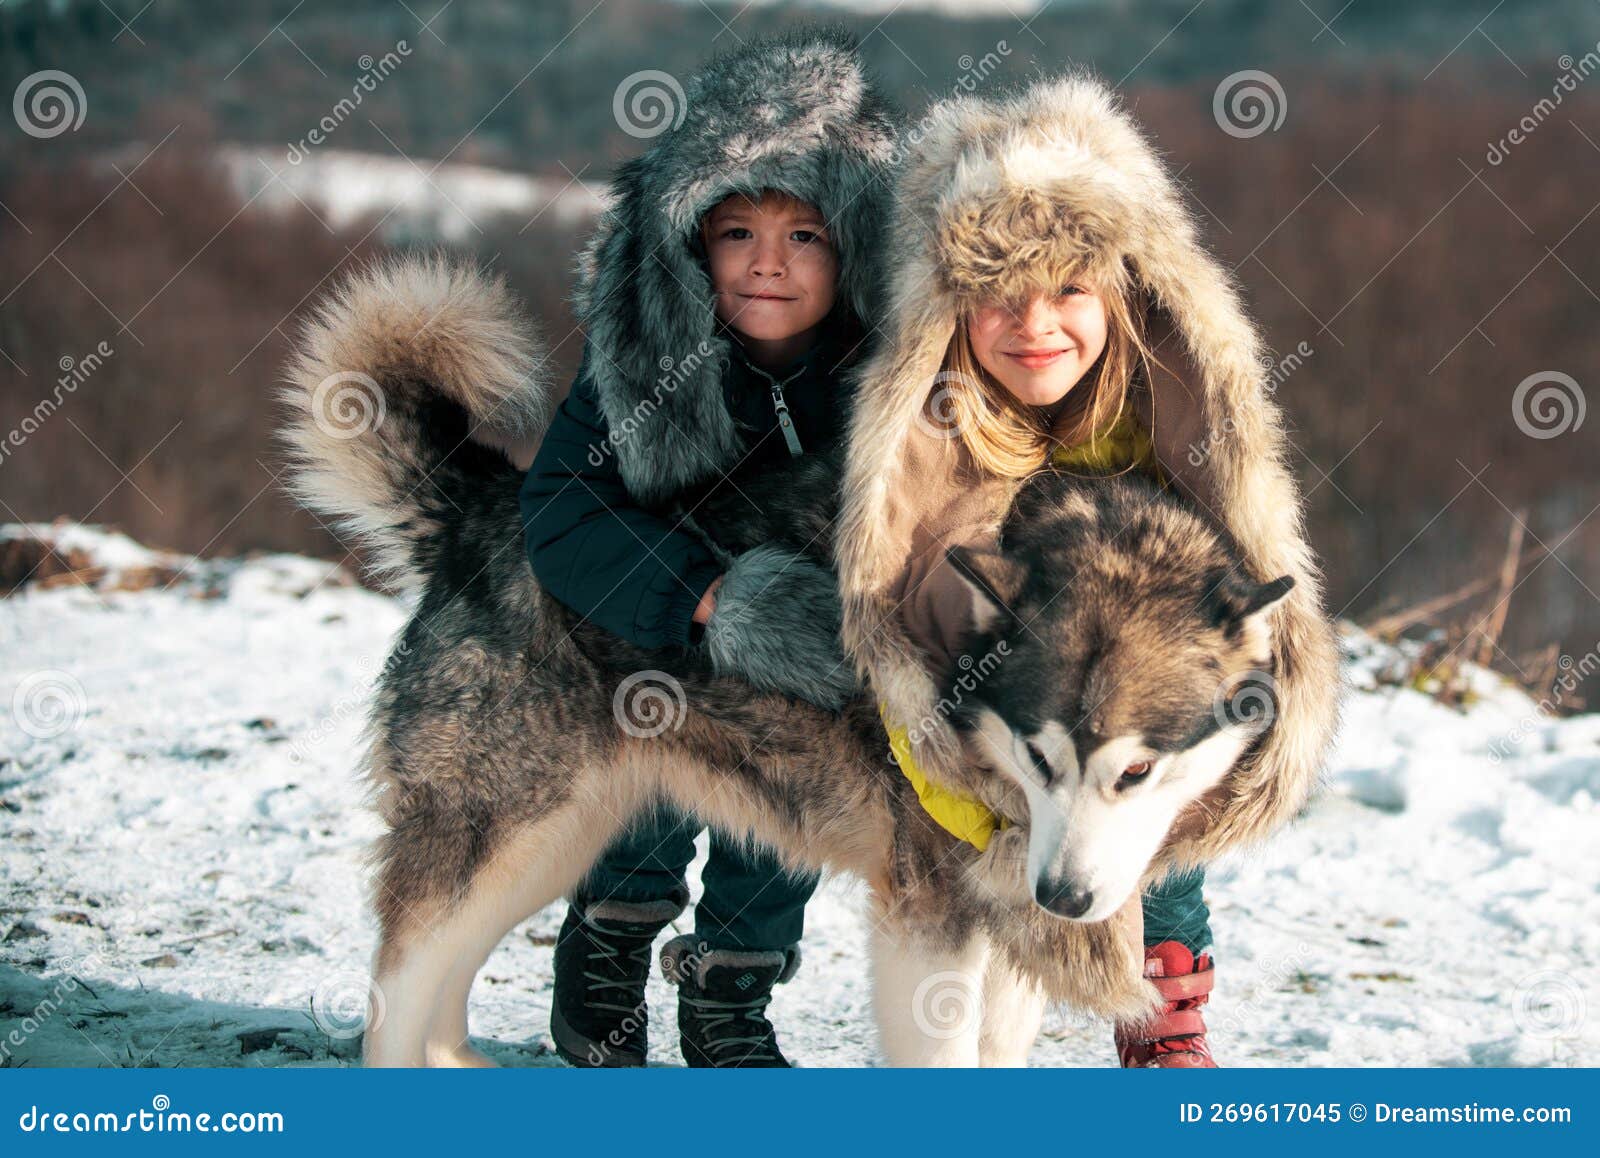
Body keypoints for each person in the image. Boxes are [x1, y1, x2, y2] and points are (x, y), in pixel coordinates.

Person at [834, 75, 1342, 1066]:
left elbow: (1235, 600)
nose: (1035, 324)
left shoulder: (1164, 409)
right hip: (1012, 700)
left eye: (1069, 289)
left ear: (1123, 293)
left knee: (1148, 780)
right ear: (949, 311)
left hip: (1142, 677)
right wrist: (984, 795)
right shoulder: (933, 435)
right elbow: (918, 629)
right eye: (996, 295)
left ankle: (1163, 1003)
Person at [520, 29, 898, 1068]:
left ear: (852, 248)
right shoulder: (640, 362)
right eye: (736, 231)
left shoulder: (882, 378)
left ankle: (731, 990)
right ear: (690, 244)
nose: (768, 261)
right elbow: (560, 510)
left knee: (797, 784)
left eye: (805, 235)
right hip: (658, 625)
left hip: (818, 644)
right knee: (657, 745)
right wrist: (708, 598)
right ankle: (610, 935)